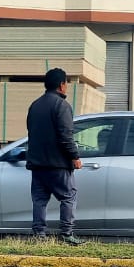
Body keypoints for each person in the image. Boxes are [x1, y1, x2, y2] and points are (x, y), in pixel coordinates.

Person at [25, 67, 83, 245]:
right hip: (57, 164)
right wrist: (75, 157)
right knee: (68, 196)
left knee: (39, 200)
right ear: (61, 85)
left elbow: (31, 133)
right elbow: (66, 136)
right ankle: (66, 234)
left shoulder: (35, 105)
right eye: (66, 83)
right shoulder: (62, 106)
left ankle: (39, 235)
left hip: (37, 163)